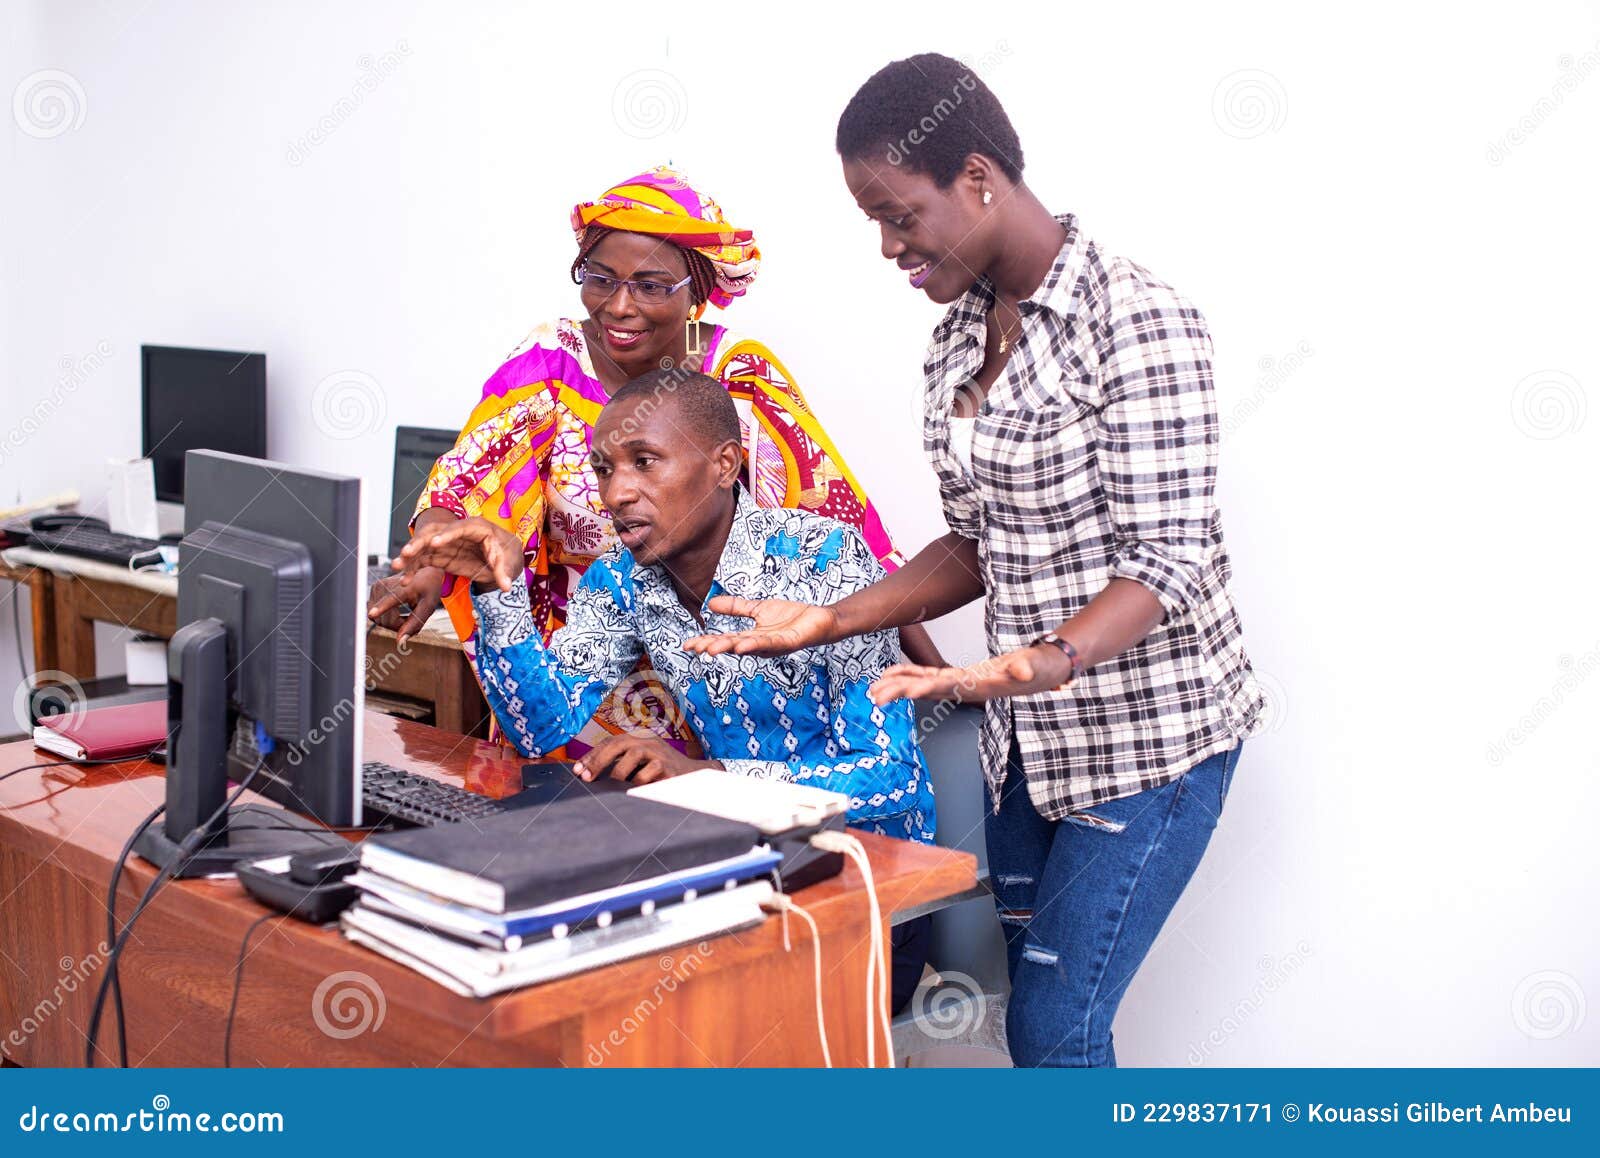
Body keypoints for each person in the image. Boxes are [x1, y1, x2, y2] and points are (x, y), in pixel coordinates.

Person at [683, 54, 1265, 1067]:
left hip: (1147, 752)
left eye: (899, 214)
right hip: (1027, 757)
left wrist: (1029, 663)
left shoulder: (1138, 320)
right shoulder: (955, 339)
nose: (886, 245)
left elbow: (1162, 563)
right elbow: (971, 543)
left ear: (980, 178)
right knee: (1030, 1022)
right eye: (873, 219)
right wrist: (832, 617)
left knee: (1055, 1025)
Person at [397, 369, 936, 1010]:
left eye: (645, 462)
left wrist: (705, 778)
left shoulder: (822, 560)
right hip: (729, 870)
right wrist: (496, 591)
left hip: (861, 884)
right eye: (603, 470)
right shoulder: (620, 579)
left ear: (723, 465)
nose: (617, 492)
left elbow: (890, 778)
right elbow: (539, 730)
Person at [369, 166, 942, 757]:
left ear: (696, 291)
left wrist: (937, 670)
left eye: (650, 285)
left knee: (698, 818)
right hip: (574, 669)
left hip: (714, 679)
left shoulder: (735, 377)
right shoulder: (550, 364)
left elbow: (838, 526)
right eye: (600, 278)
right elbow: (469, 479)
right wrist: (433, 560)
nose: (619, 307)